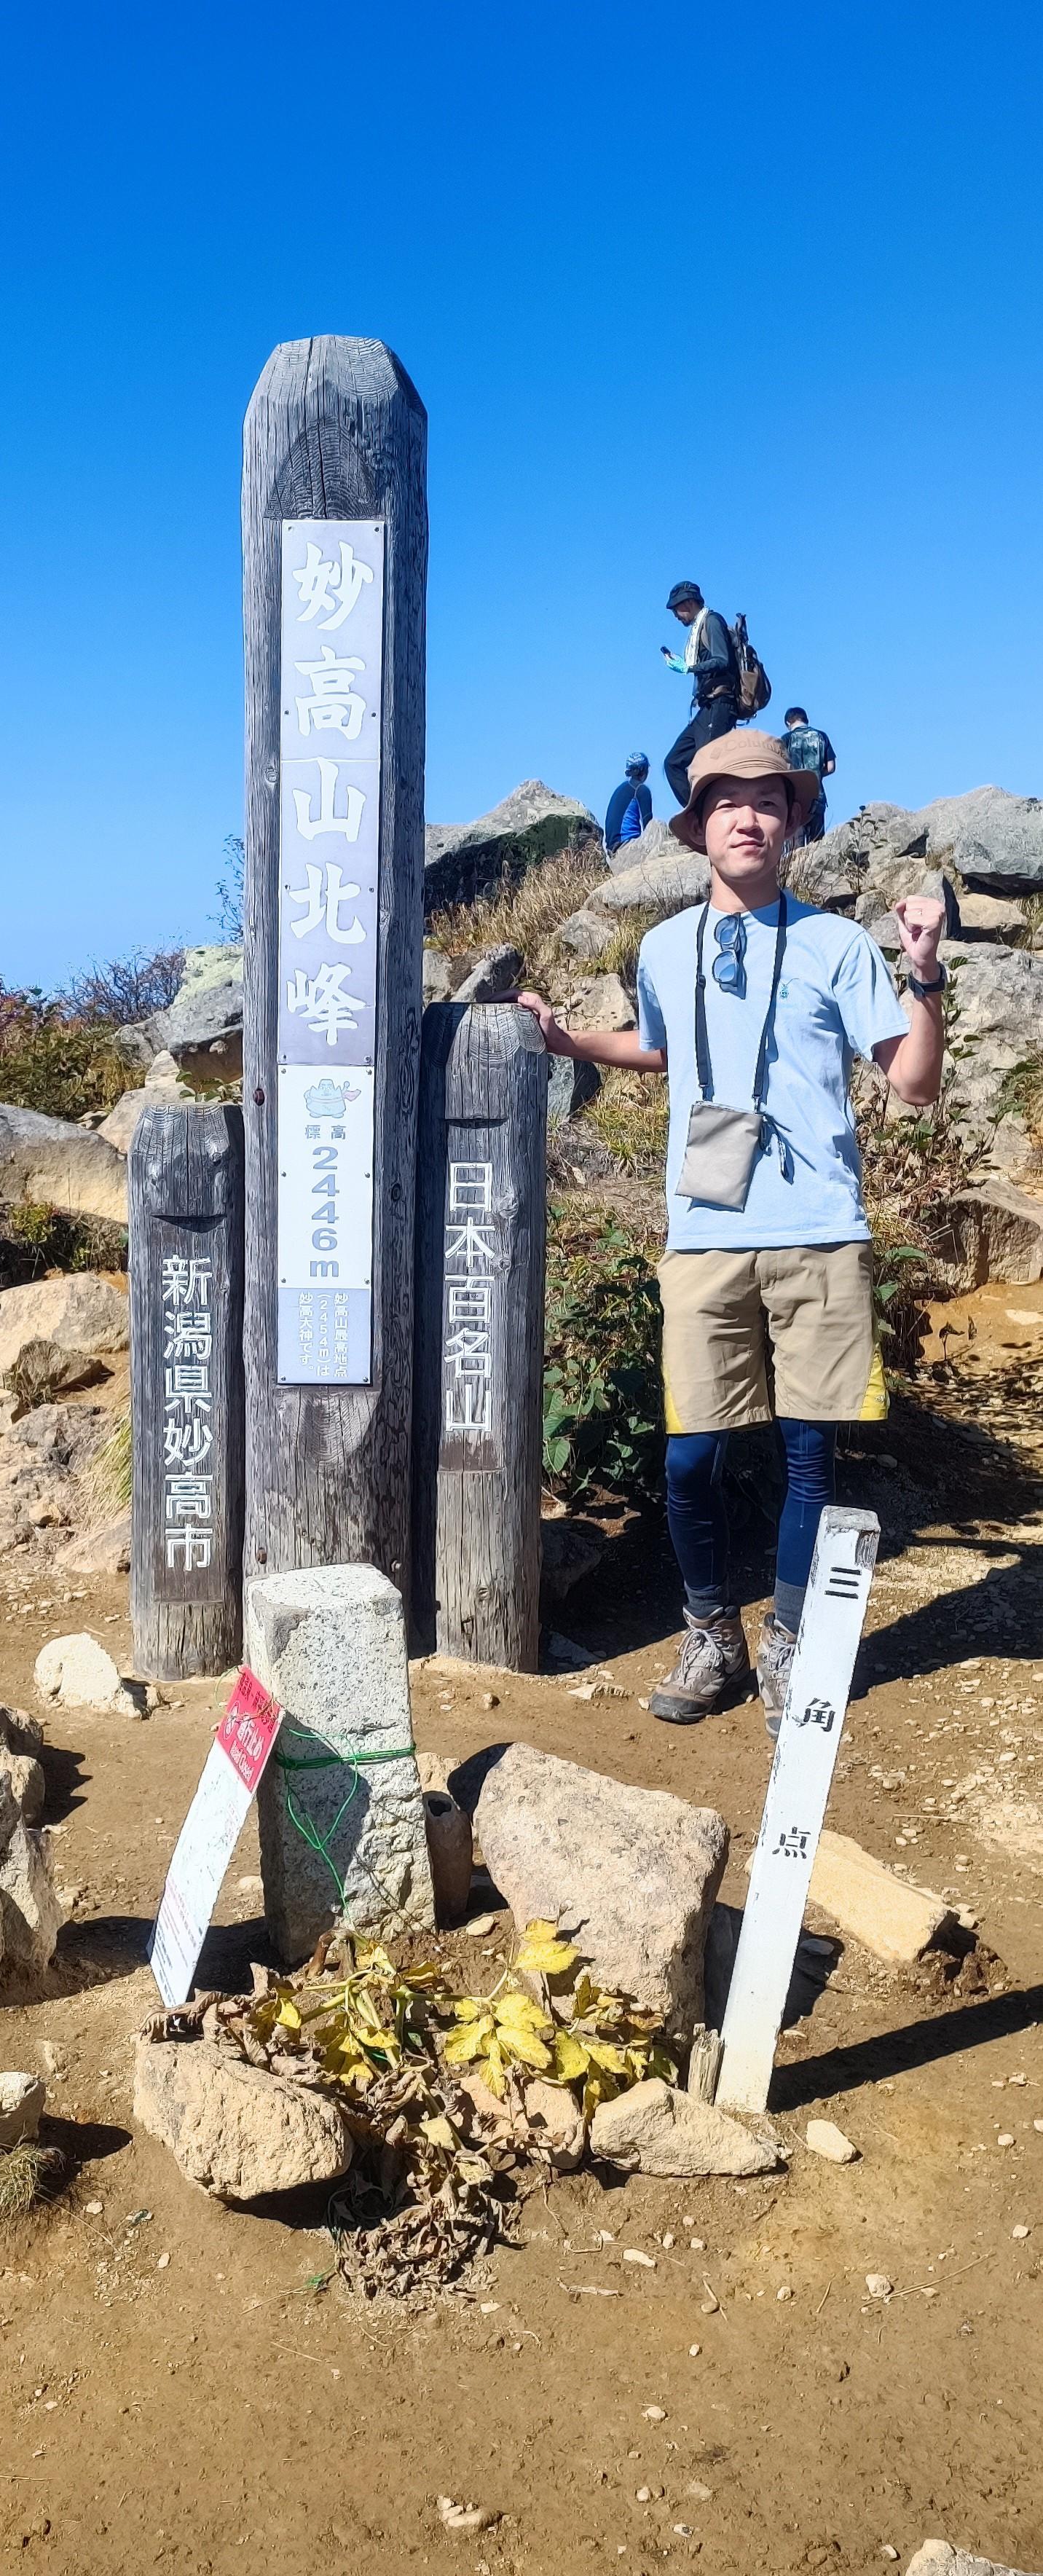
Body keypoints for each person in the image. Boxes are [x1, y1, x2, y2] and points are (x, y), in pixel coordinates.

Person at [518, 730, 947, 1737]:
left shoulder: (840, 945)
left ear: (796, 823)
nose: (749, 818)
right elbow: (661, 1049)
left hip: (819, 1230)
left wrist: (922, 973)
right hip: (705, 1232)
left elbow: (914, 1084)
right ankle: (713, 1631)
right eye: (729, 803)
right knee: (688, 1458)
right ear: (700, 826)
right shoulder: (665, 947)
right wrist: (571, 1040)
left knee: (807, 1456)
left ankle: (789, 1642)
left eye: (770, 802)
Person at [661, 581, 739, 805]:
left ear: (689, 602)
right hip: (706, 706)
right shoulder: (698, 629)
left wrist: (690, 668)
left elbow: (722, 659)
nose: (676, 615)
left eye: (676, 608)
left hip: (720, 703)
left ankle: (715, 814)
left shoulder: (712, 621)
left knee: (710, 765)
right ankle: (698, 813)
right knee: (673, 763)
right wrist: (687, 664)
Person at [782, 707, 835, 842]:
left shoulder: (786, 739)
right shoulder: (822, 736)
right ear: (806, 720)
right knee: (817, 846)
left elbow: (781, 768)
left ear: (788, 723)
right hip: (817, 798)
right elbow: (831, 768)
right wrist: (815, 774)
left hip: (795, 800)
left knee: (795, 851)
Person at [605, 753, 653, 853]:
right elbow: (649, 826)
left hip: (611, 848)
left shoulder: (620, 789)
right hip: (627, 846)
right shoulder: (641, 789)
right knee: (658, 826)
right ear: (644, 769)